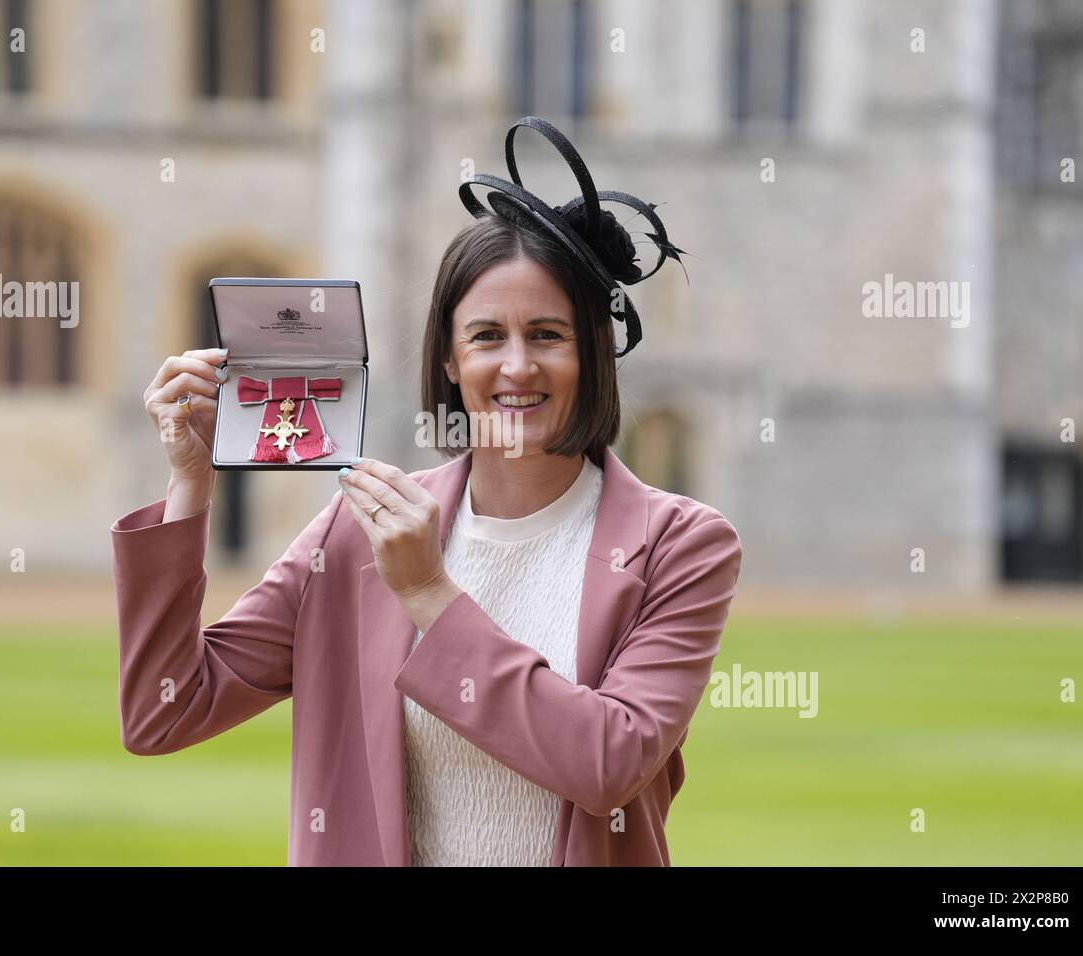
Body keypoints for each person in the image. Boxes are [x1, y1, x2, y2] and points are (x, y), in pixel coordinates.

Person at [110, 117, 743, 866]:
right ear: (447, 359)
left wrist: (429, 595)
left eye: (547, 335)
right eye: (486, 337)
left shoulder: (682, 544)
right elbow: (162, 713)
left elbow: (607, 763)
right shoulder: (354, 535)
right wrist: (190, 487)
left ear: (594, 350)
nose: (517, 367)